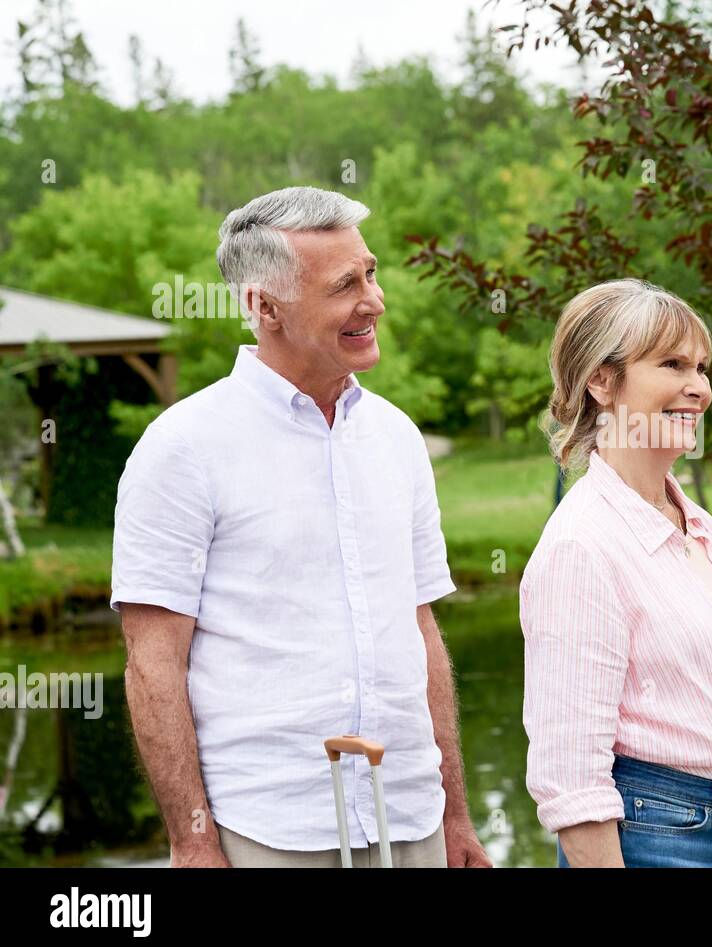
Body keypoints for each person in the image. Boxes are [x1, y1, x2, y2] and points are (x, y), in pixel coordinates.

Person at [111, 186, 490, 868]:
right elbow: (153, 661)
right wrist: (194, 840)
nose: (373, 300)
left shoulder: (398, 438)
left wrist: (456, 813)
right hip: (270, 828)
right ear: (263, 306)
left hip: (412, 817)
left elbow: (422, 632)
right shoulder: (182, 448)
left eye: (371, 273)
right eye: (345, 285)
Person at [521, 278, 712, 867]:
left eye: (701, 367)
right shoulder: (582, 545)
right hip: (656, 838)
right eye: (672, 364)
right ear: (601, 380)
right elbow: (572, 780)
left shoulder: (694, 526)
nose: (697, 387)